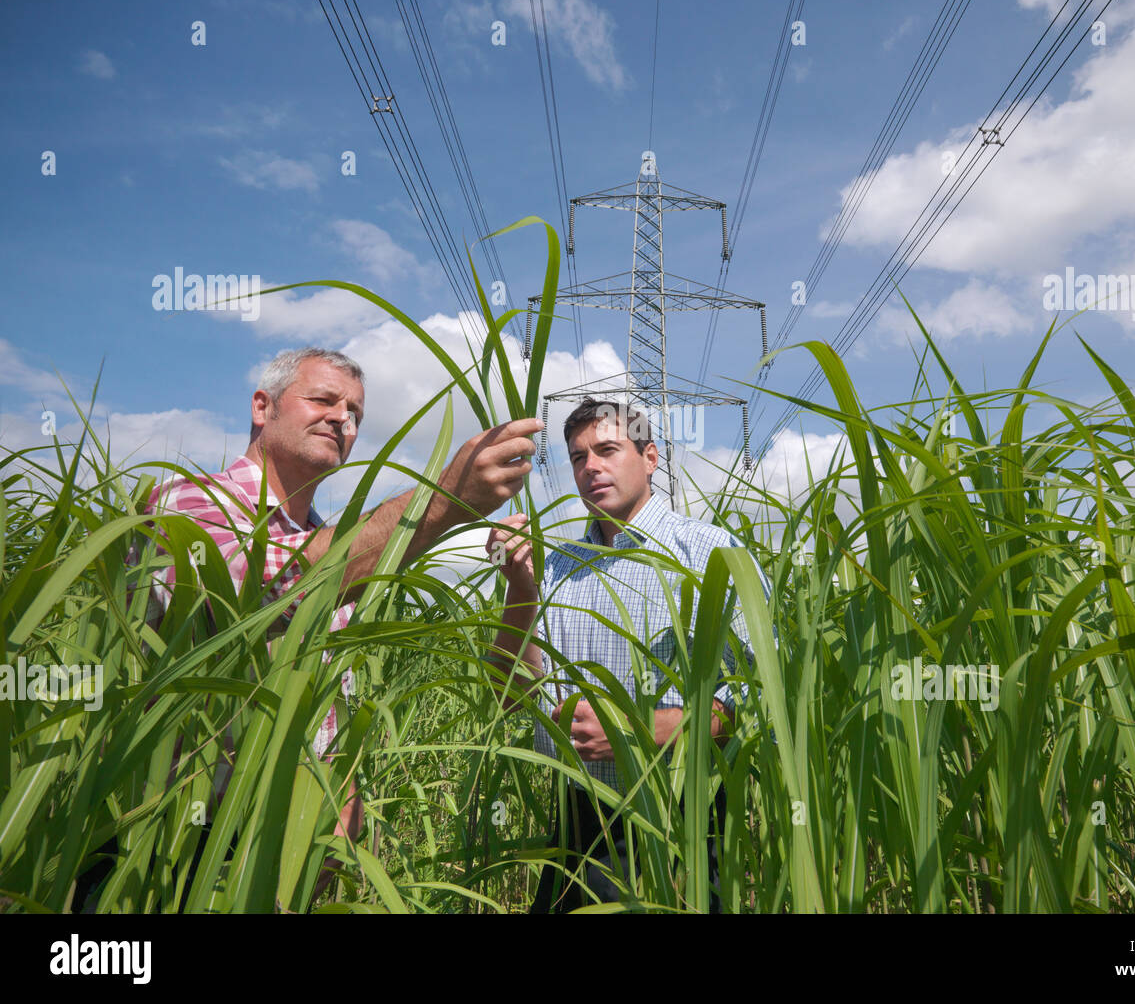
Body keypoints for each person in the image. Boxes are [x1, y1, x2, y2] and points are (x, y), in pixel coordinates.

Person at [123, 346, 541, 908]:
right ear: (261, 406)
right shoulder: (189, 498)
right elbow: (272, 590)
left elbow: (326, 697)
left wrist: (336, 806)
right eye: (322, 400)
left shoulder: (336, 544)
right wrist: (442, 501)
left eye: (356, 415)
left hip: (278, 847)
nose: (341, 418)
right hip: (171, 841)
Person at [485, 397, 768, 912]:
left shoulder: (713, 556)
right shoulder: (554, 568)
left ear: (651, 458)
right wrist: (520, 586)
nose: (590, 467)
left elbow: (755, 704)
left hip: (683, 820)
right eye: (577, 457)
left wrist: (633, 728)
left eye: (608, 450)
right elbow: (509, 696)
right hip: (578, 825)